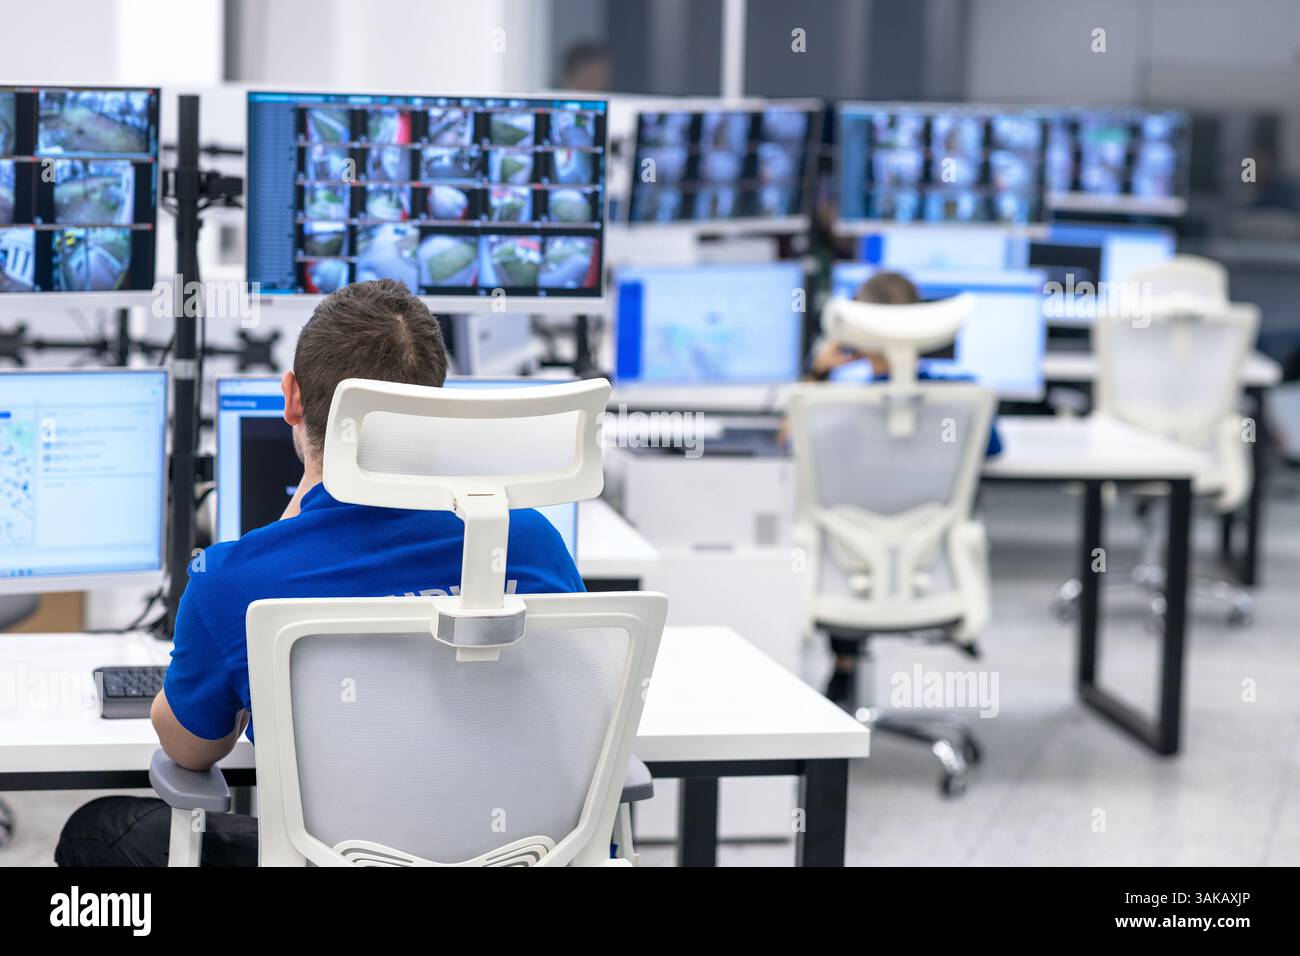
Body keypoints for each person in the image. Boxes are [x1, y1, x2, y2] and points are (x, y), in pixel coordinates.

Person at [55, 279, 585, 866]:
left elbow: (189, 747)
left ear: (292, 397)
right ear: (435, 409)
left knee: (96, 829)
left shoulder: (235, 580)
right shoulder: (529, 539)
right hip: (530, 857)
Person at [810, 271, 1001, 708]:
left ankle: (844, 666)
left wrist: (818, 374)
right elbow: (992, 446)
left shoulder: (833, 412)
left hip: (847, 580)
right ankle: (847, 669)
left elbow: (790, 442)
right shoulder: (961, 399)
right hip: (931, 575)